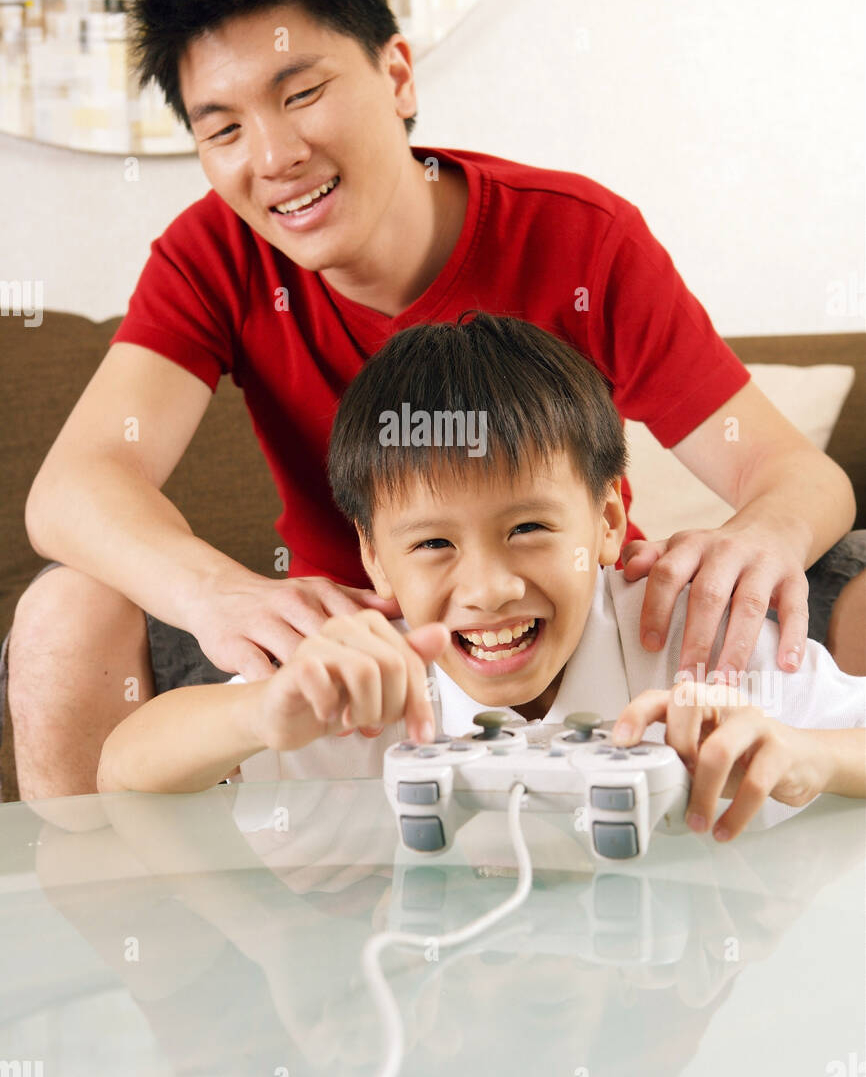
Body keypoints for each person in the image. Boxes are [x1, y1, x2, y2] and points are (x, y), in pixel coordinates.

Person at [8, 0, 864, 802]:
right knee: (65, 609)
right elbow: (74, 488)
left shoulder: (576, 235)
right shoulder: (214, 254)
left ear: (396, 75)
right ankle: (95, 890)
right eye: (222, 130)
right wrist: (220, 596)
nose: (274, 157)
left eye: (301, 93)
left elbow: (795, 475)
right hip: (339, 658)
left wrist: (760, 537)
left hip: (576, 636)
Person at [97, 314, 866, 843]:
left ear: (607, 520)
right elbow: (123, 771)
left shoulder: (691, 641)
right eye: (433, 543)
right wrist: (260, 713)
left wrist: (811, 754)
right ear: (373, 557)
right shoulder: (366, 671)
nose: (490, 588)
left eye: (528, 529)